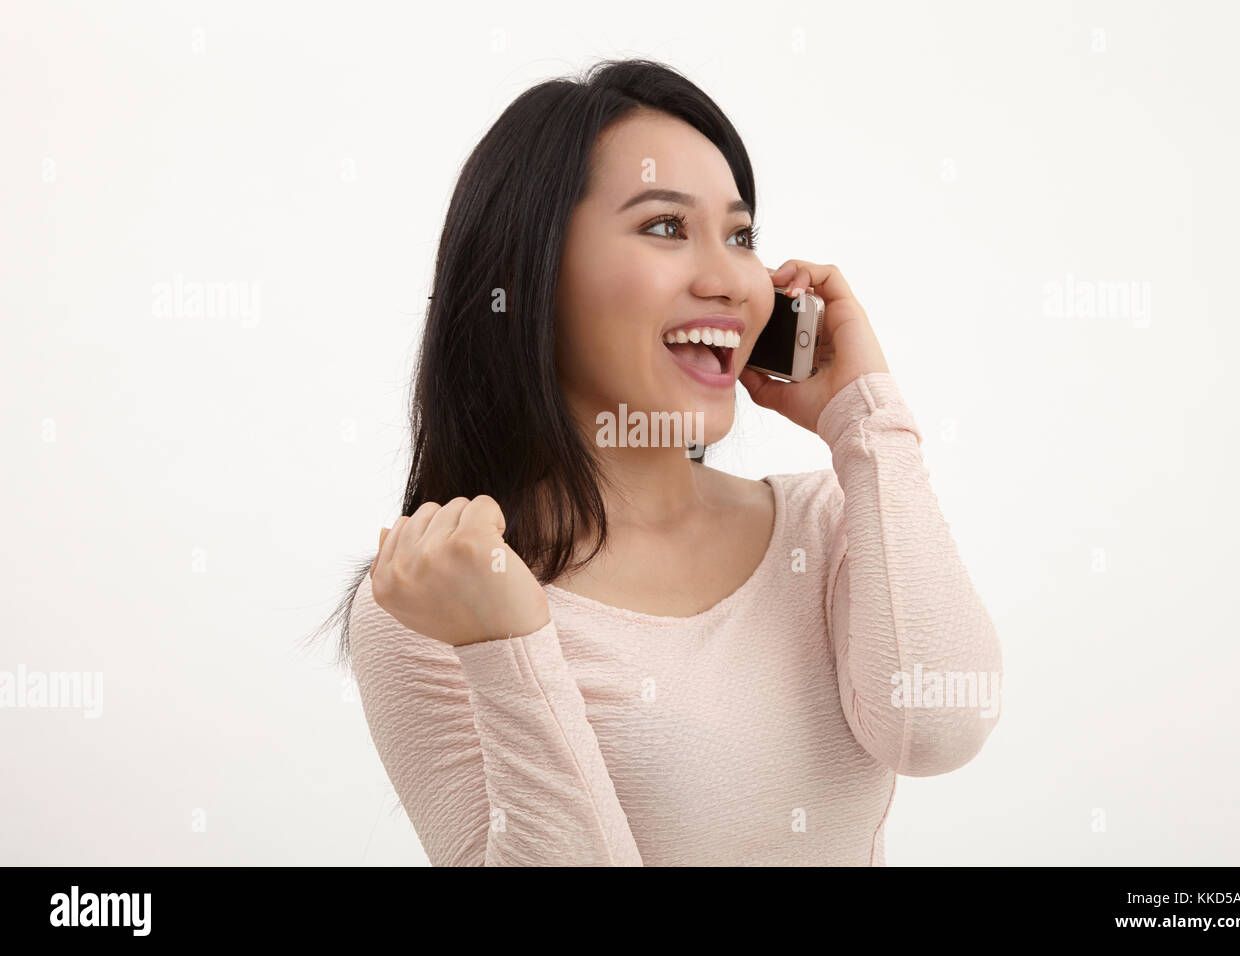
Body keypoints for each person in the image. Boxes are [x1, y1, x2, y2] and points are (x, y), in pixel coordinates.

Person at [315, 57, 1003, 866]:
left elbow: (938, 730)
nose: (731, 281)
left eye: (741, 236)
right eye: (666, 227)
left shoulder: (829, 521)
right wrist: (506, 643)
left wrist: (869, 422)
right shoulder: (437, 601)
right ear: (531, 275)